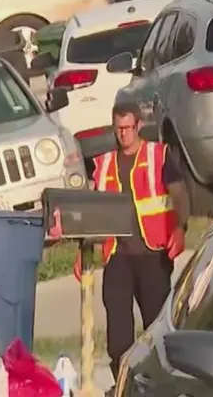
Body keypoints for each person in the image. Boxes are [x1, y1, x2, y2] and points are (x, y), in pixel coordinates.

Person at [73, 102, 190, 392]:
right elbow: (94, 214)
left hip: (153, 255)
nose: (122, 134)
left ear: (138, 125)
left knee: (156, 327)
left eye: (127, 128)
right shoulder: (104, 164)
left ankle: (162, 385)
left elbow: (180, 194)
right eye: (118, 129)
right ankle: (125, 384)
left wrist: (180, 227)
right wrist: (83, 252)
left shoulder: (158, 155)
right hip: (117, 257)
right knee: (119, 335)